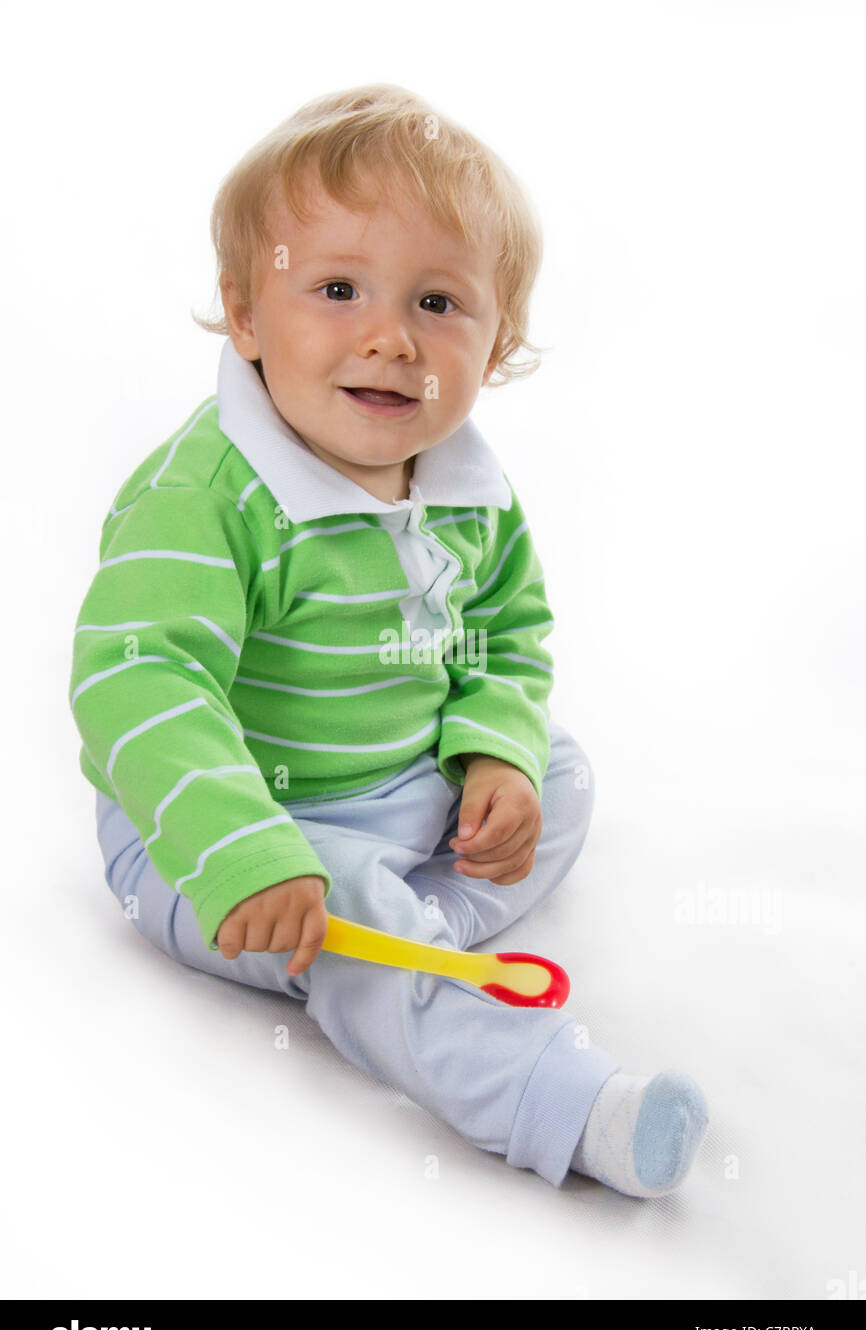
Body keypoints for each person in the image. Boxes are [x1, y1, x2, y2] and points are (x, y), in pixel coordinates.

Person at [69, 83, 708, 1196]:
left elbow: (508, 631)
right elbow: (138, 680)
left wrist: (493, 754)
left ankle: (412, 938)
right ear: (245, 312)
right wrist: (247, 852)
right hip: (218, 826)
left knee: (561, 771)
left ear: (496, 341)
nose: (387, 337)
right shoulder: (208, 494)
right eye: (335, 289)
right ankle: (560, 1102)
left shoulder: (469, 487)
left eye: (436, 303)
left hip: (397, 784)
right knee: (342, 894)